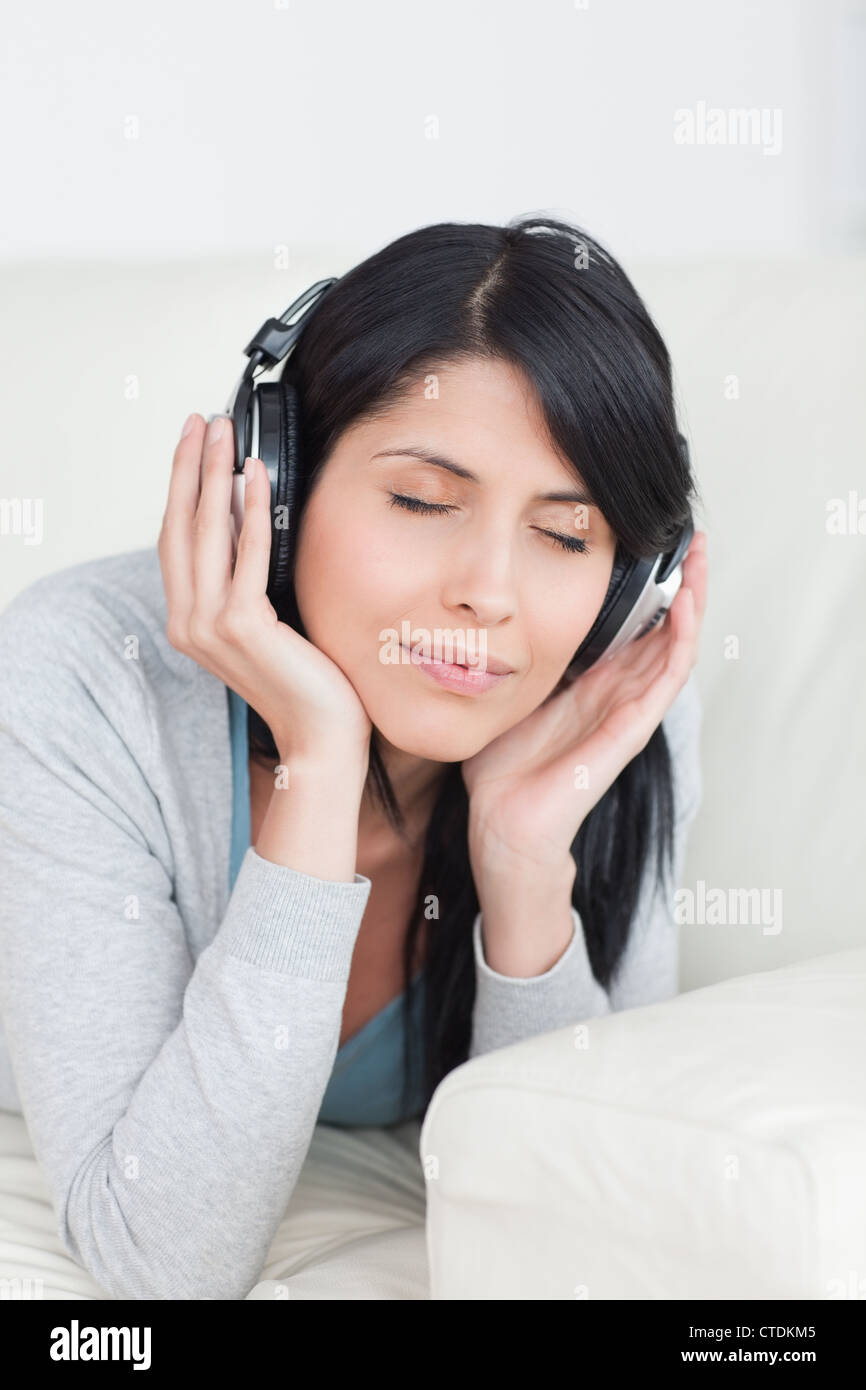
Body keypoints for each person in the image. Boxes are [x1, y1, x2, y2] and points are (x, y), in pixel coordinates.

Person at [0, 215, 707, 1300]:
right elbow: (165, 1264)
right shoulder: (84, 674)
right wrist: (319, 767)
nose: (491, 591)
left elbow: (579, 1231)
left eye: (565, 536)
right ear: (276, 491)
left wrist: (524, 865)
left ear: (625, 584)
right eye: (422, 500)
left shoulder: (612, 704)